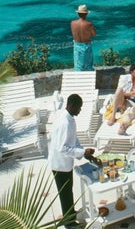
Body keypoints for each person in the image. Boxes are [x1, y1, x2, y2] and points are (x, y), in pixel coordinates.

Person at [48, 94, 95, 228]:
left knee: (68, 191)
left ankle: (70, 213)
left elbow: (73, 139)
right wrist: (82, 152)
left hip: (65, 163)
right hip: (60, 165)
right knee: (65, 193)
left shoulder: (69, 118)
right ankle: (69, 223)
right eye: (79, 108)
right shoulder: (64, 122)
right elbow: (62, 147)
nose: (80, 110)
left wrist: (84, 152)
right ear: (71, 106)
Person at [106, 64, 135, 134]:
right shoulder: (124, 78)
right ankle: (113, 116)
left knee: (130, 111)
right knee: (119, 90)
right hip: (122, 100)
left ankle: (123, 125)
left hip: (134, 102)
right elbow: (119, 93)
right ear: (131, 72)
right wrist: (129, 94)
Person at [71, 4, 96, 71]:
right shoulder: (89, 24)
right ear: (86, 14)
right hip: (86, 45)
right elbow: (94, 34)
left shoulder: (72, 23)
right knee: (88, 65)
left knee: (78, 66)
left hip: (77, 45)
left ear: (78, 13)